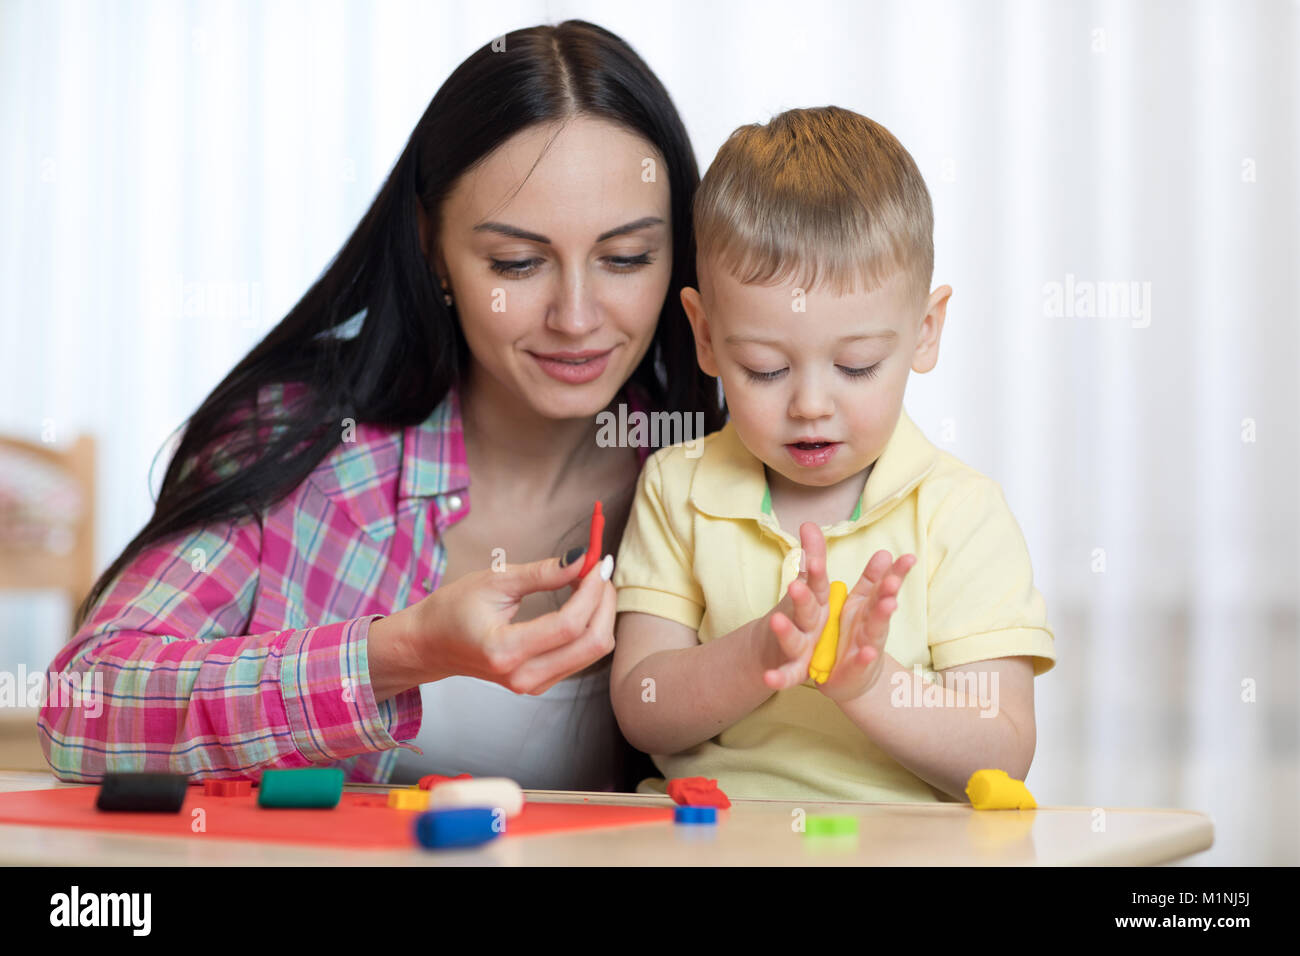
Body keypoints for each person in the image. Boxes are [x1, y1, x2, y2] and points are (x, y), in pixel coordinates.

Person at [40, 20, 724, 791]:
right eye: (518, 262)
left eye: (626, 258)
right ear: (432, 247)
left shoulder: (721, 480)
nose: (575, 315)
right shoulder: (297, 442)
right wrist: (398, 653)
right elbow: (85, 705)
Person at [610, 106, 1057, 802]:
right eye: (764, 368)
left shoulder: (960, 513)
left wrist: (872, 684)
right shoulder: (679, 484)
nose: (811, 404)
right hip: (708, 843)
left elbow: (1002, 750)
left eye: (856, 366)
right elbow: (643, 709)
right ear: (705, 335)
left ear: (925, 331)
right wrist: (762, 650)